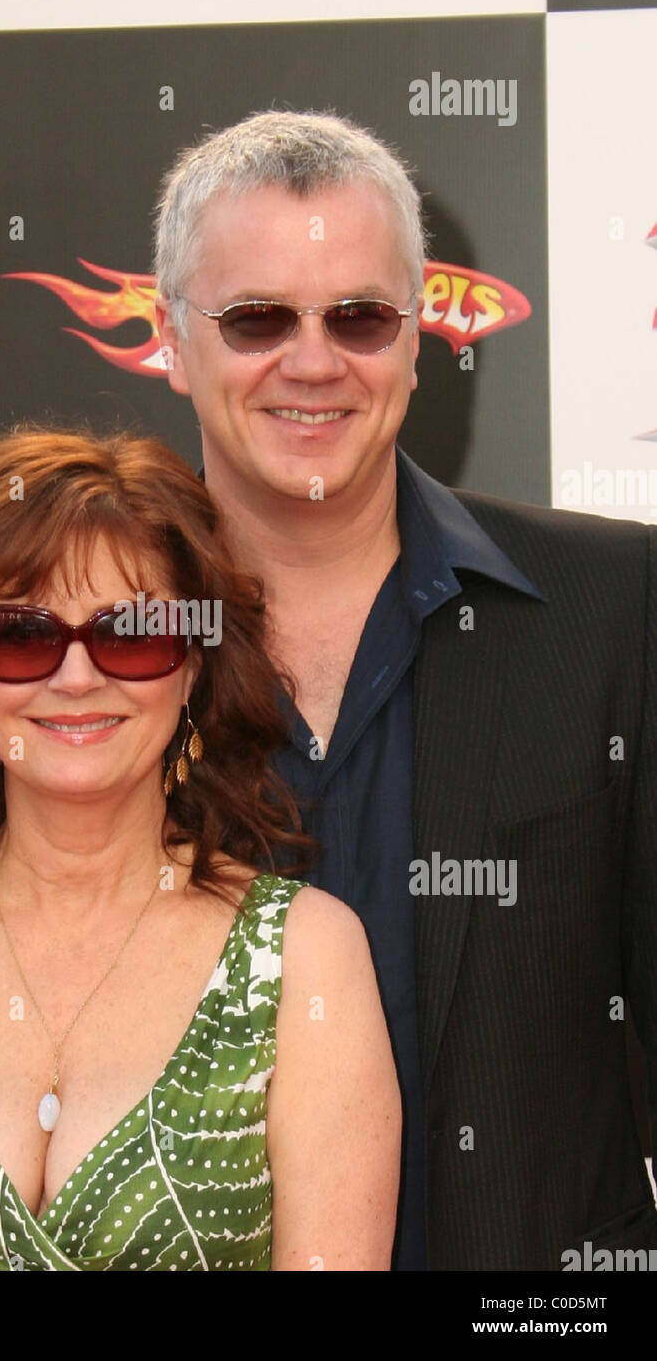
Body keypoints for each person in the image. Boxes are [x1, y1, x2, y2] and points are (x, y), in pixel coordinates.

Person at [153, 109, 657, 1272]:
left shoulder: (612, 608)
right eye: (258, 318)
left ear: (417, 343)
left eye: (360, 317)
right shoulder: (79, 650)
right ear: (173, 342)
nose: (313, 361)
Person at [0, 427, 400, 1271]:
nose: (77, 676)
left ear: (192, 667)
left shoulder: (305, 958)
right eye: (21, 636)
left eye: (130, 633)